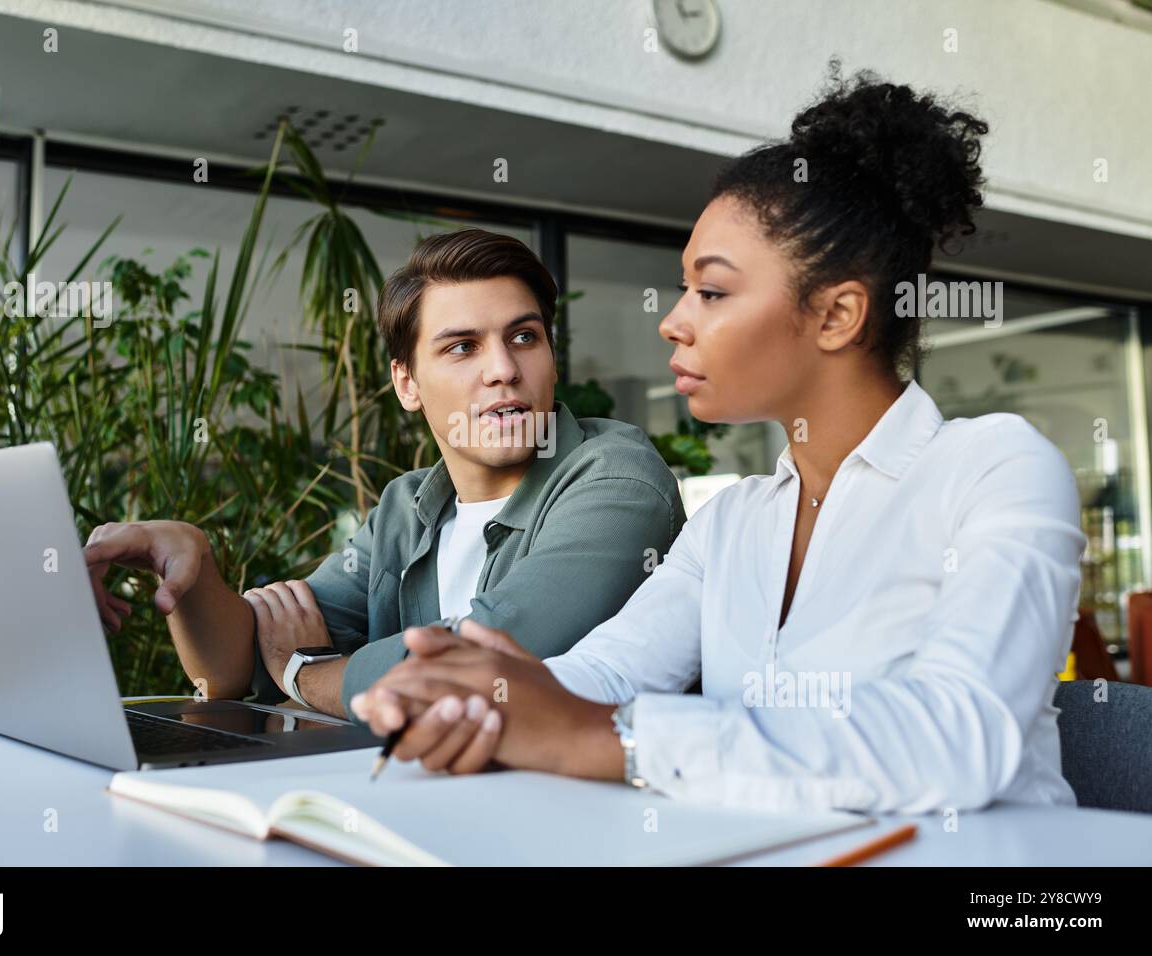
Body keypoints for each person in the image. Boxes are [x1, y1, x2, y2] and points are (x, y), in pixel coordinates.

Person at [353, 65, 1087, 813]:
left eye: (711, 291)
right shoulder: (734, 523)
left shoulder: (995, 468)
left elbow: (958, 738)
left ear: (836, 316)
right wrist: (472, 693)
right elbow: (604, 676)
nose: (674, 321)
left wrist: (611, 738)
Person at [84, 228, 683, 722]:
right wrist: (193, 568)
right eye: (462, 347)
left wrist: (307, 672)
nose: (503, 369)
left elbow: (481, 664)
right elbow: (238, 666)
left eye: (523, 337)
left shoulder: (617, 480)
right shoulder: (406, 508)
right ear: (407, 384)